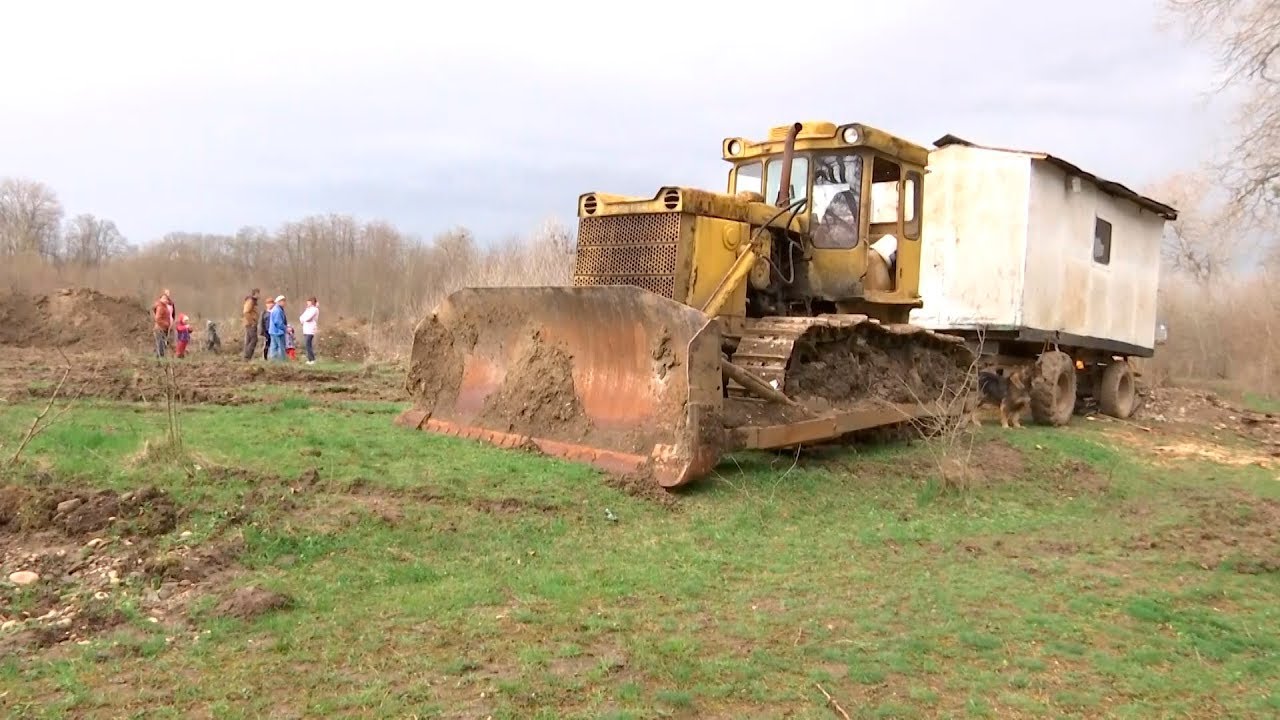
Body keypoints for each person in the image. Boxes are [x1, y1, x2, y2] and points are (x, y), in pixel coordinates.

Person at [151, 292, 173, 358]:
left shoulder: (165, 306)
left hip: (163, 328)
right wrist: (166, 324)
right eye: (164, 298)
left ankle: (159, 357)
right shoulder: (160, 307)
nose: (165, 300)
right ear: (160, 299)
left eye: (166, 299)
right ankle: (160, 358)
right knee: (160, 344)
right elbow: (158, 319)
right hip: (160, 328)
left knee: (162, 344)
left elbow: (171, 304)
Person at [299, 296, 319, 365]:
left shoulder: (315, 309)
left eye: (309, 302)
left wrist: (304, 319)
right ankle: (310, 359)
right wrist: (303, 319)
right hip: (305, 329)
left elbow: (308, 318)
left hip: (311, 329)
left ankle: (312, 359)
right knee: (307, 344)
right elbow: (301, 317)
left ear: (312, 302)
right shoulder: (308, 309)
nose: (307, 303)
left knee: (308, 344)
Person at [241, 288, 260, 360]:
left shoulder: (253, 301)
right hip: (250, 324)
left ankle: (246, 357)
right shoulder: (250, 301)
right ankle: (247, 356)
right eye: (258, 293)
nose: (259, 295)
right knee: (254, 339)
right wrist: (252, 322)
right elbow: (246, 312)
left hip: (249, 323)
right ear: (255, 294)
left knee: (248, 340)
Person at [268, 295, 288, 361]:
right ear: (279, 302)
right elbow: (278, 323)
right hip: (278, 332)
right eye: (283, 301)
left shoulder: (276, 309)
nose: (284, 303)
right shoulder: (278, 310)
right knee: (281, 347)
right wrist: (286, 328)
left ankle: (273, 360)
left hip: (273, 331)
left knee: (273, 347)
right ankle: (281, 361)